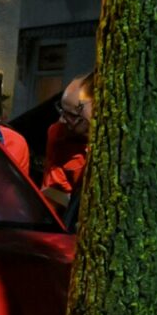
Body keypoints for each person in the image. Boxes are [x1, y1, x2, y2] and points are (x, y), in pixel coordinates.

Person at [41, 72, 93, 215]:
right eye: (62, 111)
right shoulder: (59, 134)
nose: (63, 120)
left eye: (72, 114)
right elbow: (55, 193)